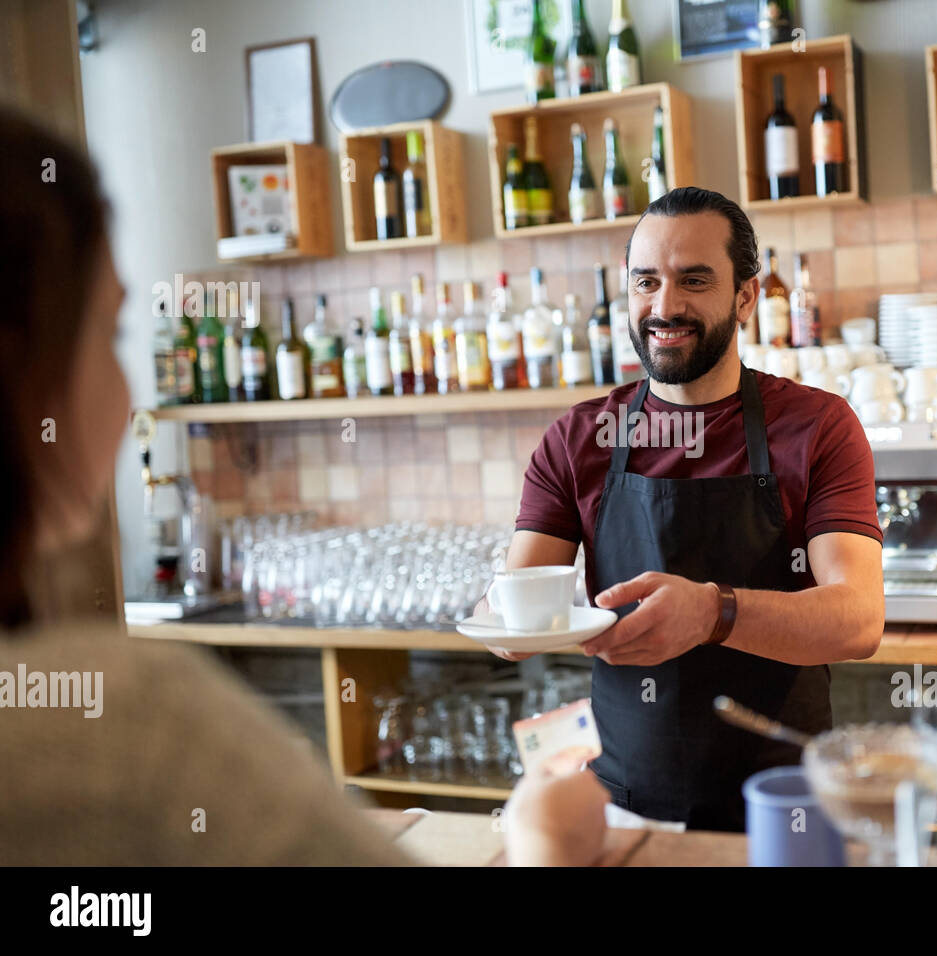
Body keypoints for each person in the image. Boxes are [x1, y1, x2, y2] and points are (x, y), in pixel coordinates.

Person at [0, 108, 604, 866]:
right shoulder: (125, 719)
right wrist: (542, 842)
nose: (130, 393)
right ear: (24, 364)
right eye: (113, 331)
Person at [494, 186, 885, 831]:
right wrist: (500, 616)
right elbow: (520, 598)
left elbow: (858, 620)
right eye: (645, 281)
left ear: (746, 296)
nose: (664, 305)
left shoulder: (817, 426)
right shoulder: (579, 438)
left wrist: (712, 612)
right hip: (628, 806)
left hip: (784, 807)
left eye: (693, 280)